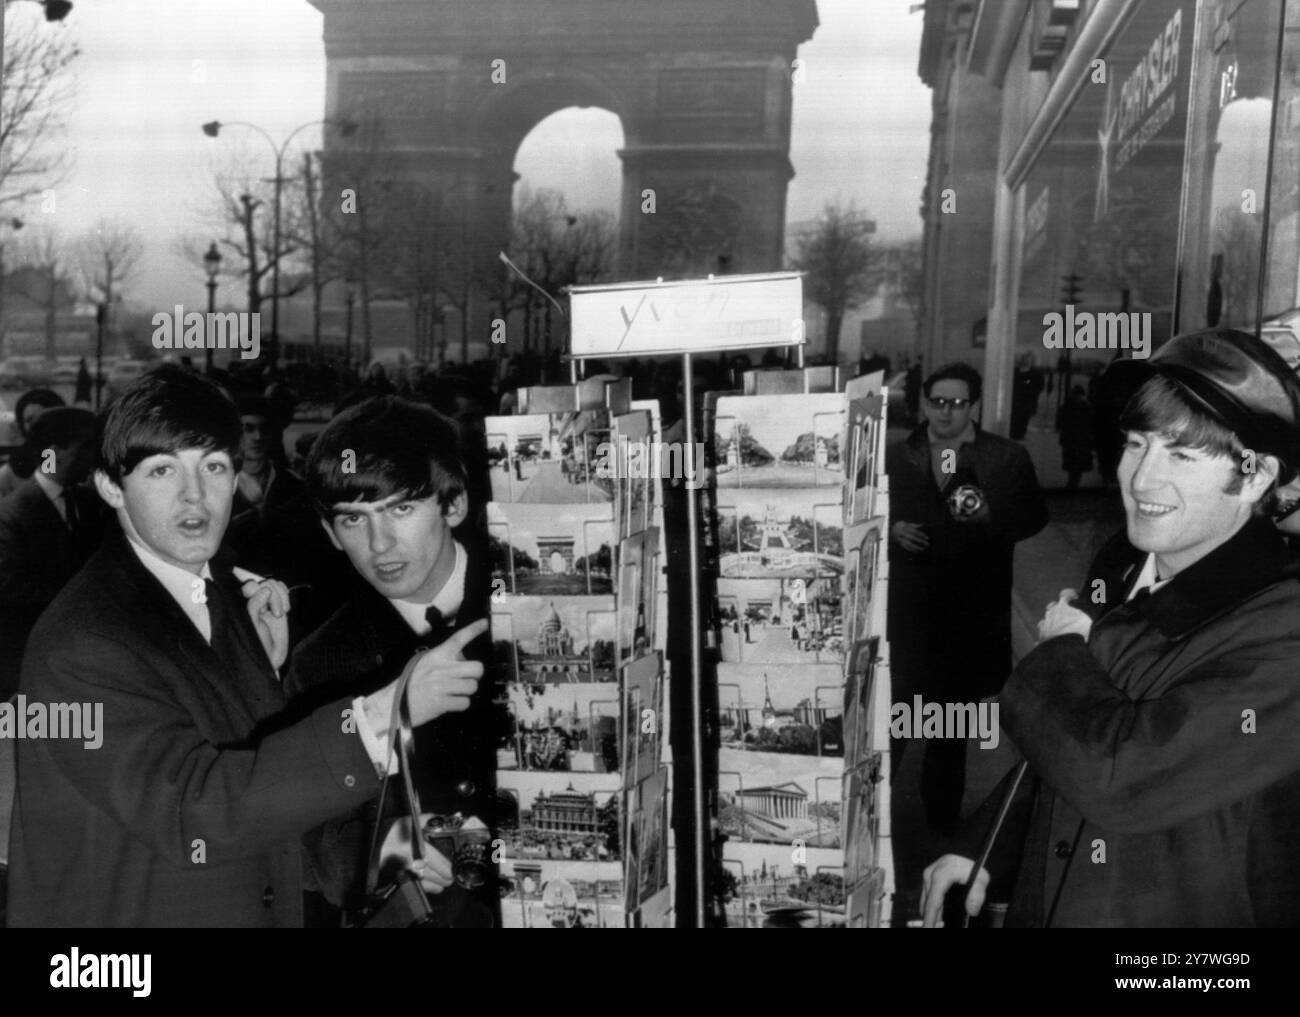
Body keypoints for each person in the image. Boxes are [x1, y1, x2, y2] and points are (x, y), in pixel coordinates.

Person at [7, 366, 483, 927]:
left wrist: (397, 850)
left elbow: (277, 800)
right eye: (163, 470)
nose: (194, 495)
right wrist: (383, 714)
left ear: (236, 477)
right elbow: (195, 809)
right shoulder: (84, 641)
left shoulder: (225, 595)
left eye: (213, 466)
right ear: (112, 486)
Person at [922, 328, 1300, 928]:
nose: (1142, 479)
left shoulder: (1281, 628)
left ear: (1254, 478)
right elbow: (1073, 736)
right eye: (1135, 444)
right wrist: (988, 845)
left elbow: (1122, 774)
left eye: (1181, 454)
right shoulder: (1122, 566)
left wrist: (1063, 650)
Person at [289, 395, 505, 927]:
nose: (379, 544)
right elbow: (314, 838)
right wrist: (400, 844)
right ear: (329, 533)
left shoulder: (533, 601)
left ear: (453, 505)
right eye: (352, 520)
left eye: (400, 509)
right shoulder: (322, 660)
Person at [887, 362, 1047, 840]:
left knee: (948, 734)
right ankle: (873, 821)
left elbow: (1034, 518)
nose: (945, 412)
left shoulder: (1005, 458)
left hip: (969, 618)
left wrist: (990, 518)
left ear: (973, 406)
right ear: (923, 404)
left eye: (956, 403)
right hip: (906, 617)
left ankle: (939, 835)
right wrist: (893, 529)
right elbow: (868, 512)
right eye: (936, 402)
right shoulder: (897, 455)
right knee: (892, 720)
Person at [0, 407, 102, 698]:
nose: (92, 458)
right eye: (84, 448)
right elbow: (10, 589)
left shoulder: (90, 503)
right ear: (52, 452)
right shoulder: (10, 515)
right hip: (29, 663)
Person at [0, 388, 65, 499]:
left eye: (43, 417)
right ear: (22, 426)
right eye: (30, 420)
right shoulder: (9, 472)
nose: (37, 425)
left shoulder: (74, 460)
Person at [1056, 384, 1094, 489]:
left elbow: (1060, 422)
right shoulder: (1086, 407)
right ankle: (1074, 482)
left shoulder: (1066, 406)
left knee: (1072, 462)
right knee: (1078, 463)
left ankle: (1072, 482)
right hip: (1081, 440)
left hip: (1070, 439)